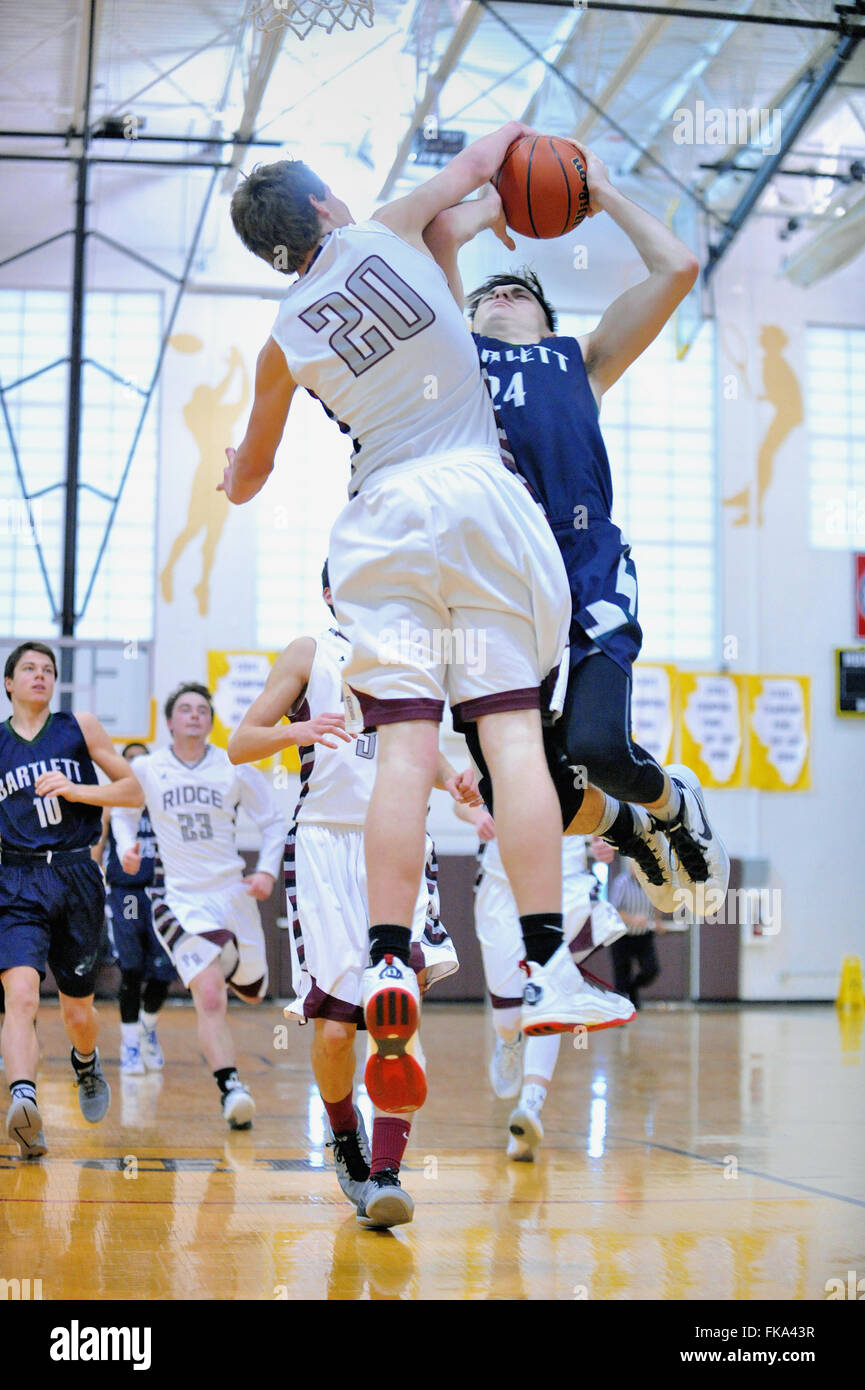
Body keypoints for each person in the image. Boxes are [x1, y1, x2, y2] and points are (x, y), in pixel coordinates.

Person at [223, 128, 636, 1110]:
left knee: (403, 751)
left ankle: (387, 957)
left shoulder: (281, 341)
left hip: (376, 520)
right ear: (325, 207)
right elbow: (484, 164)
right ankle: (548, 965)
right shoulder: (384, 228)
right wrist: (548, 162)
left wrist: (225, 470)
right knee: (511, 742)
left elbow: (250, 477)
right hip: (477, 500)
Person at [423, 150, 729, 917]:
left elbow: (678, 267)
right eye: (487, 289)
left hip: (581, 565)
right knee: (540, 801)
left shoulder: (580, 362)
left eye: (518, 289)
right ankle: (631, 830)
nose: (500, 291)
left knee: (595, 747)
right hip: (493, 591)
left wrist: (600, 196)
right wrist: (489, 207)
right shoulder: (456, 363)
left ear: (546, 320)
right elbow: (435, 241)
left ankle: (672, 804)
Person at [228, 562, 471, 1229]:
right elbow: (238, 742)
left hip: (396, 843)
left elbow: (417, 743)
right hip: (325, 848)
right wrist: (296, 731)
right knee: (336, 1030)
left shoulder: (410, 658)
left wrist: (455, 782)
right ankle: (344, 1139)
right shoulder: (309, 652)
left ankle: (389, 1172)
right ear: (332, 593)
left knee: (398, 1012)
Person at [110, 683, 284, 1131]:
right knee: (209, 994)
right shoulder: (146, 767)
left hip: (233, 894)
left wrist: (266, 871)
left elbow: (273, 821)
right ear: (169, 721)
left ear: (211, 720)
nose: (193, 715)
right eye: (184, 709)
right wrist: (128, 847)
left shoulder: (234, 764)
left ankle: (228, 959)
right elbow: (124, 812)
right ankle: (232, 1088)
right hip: (181, 900)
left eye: (202, 709)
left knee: (252, 989)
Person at [0, 641, 143, 1158]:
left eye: (48, 670)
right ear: (10, 683)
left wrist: (79, 791)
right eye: (29, 669)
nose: (40, 676)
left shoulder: (78, 726)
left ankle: (86, 1062)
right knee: (19, 998)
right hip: (16, 881)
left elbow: (133, 792)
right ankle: (25, 1105)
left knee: (77, 1012)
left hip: (76, 873)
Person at [458, 799, 626, 1160]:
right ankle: (509, 1041)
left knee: (548, 996)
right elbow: (461, 800)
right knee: (509, 1018)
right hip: (502, 881)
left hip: (564, 879)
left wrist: (605, 836)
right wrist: (476, 814)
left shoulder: (576, 748)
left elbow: (606, 798)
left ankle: (530, 1110)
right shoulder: (489, 743)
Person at [92, 742, 176, 1075]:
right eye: (129, 761)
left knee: (164, 970)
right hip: (126, 892)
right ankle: (129, 1047)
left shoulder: (163, 796)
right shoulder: (114, 802)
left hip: (164, 891)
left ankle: (147, 1028)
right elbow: (97, 844)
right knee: (131, 968)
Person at [607, 857, 664, 1010]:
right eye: (635, 864)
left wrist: (658, 920)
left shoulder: (651, 883)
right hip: (622, 936)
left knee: (651, 970)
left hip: (644, 936)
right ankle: (620, 1011)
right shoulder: (621, 883)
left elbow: (657, 903)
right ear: (630, 865)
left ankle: (633, 988)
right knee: (621, 976)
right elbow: (613, 910)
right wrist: (632, 919)